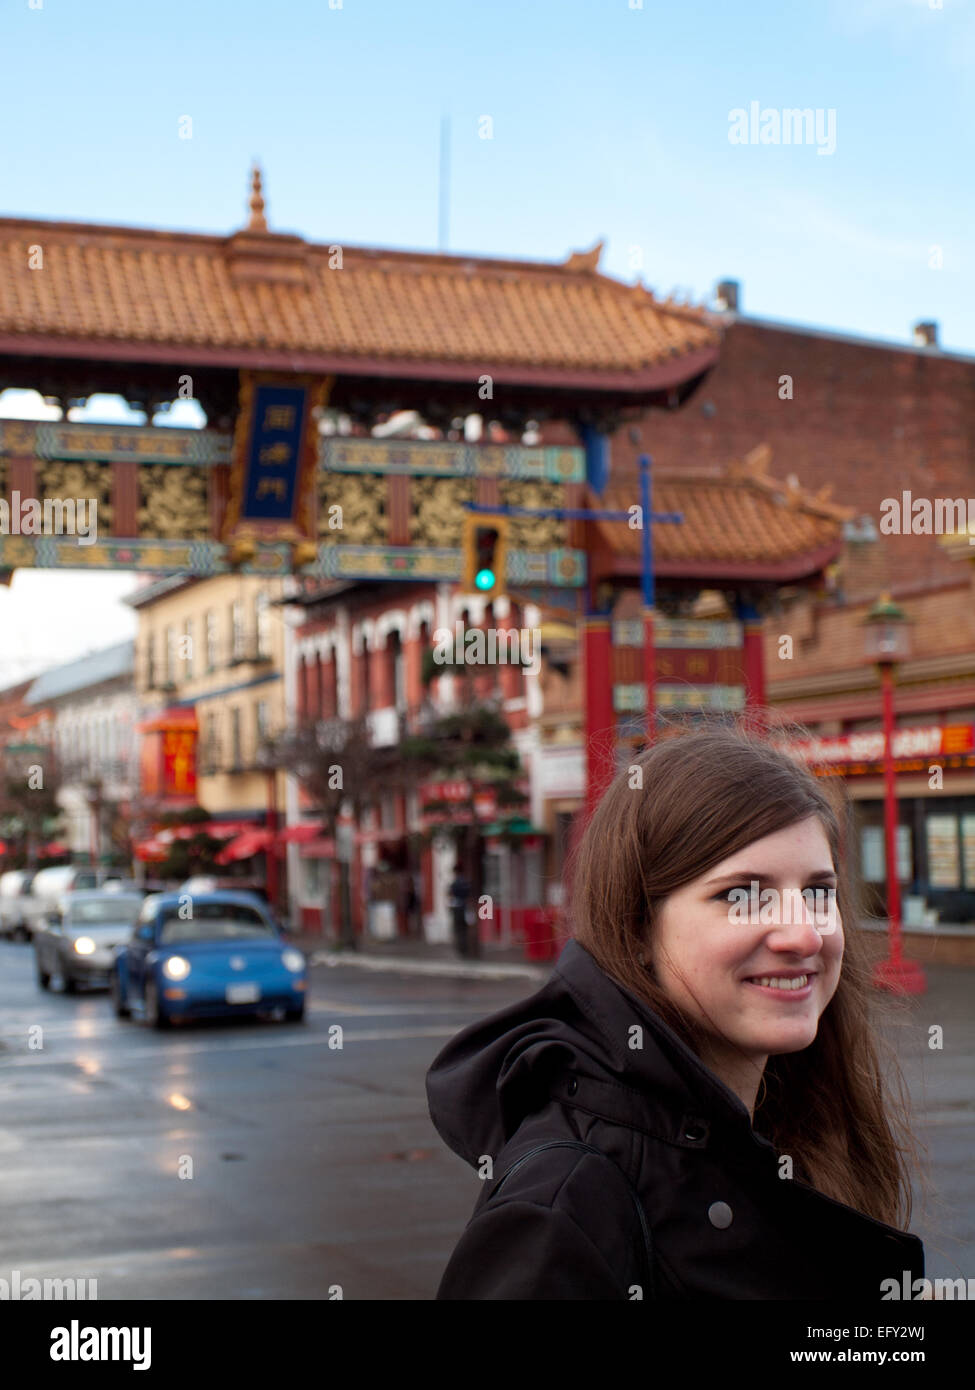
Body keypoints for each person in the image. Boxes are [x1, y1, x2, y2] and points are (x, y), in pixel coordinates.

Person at [426, 724, 926, 1299]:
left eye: (818, 892)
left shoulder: (794, 1127)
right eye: (743, 896)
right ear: (637, 926)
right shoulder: (561, 1211)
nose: (804, 935)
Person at [447, 868, 472, 958]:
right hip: (465, 908)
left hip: (457, 908)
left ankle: (460, 948)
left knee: (458, 929)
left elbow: (450, 895)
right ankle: (465, 947)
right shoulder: (466, 883)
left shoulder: (455, 883)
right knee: (464, 930)